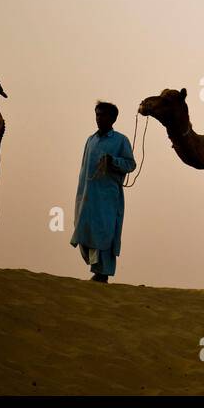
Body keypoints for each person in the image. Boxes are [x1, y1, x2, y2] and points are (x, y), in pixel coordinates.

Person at [70, 101, 137, 282]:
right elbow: (84, 169)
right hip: (86, 195)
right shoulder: (90, 140)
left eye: (103, 115)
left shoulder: (120, 140)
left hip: (107, 198)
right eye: (97, 115)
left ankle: (102, 273)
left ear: (113, 118)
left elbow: (131, 164)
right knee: (84, 232)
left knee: (105, 234)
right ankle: (97, 270)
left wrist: (113, 161)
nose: (99, 119)